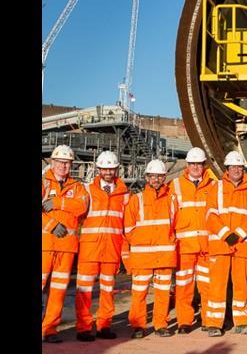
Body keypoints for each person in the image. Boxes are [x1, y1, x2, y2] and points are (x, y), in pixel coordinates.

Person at [205, 150, 247, 336]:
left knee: (241, 285)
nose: (236, 170)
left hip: (241, 246)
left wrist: (237, 234)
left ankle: (242, 321)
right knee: (217, 285)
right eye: (233, 167)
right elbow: (210, 215)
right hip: (221, 246)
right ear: (227, 169)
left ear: (243, 169)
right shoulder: (217, 187)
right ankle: (214, 323)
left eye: (239, 167)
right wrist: (225, 234)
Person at [75, 151, 130, 341]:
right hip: (89, 250)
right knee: (84, 290)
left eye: (111, 168)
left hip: (111, 250)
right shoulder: (87, 191)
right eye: (105, 168)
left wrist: (125, 254)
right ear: (99, 169)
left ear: (116, 169)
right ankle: (83, 327)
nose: (108, 172)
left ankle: (104, 326)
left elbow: (126, 227)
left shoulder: (124, 195)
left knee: (108, 289)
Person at [124, 159, 177, 338]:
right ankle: (138, 326)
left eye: (160, 176)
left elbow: (176, 225)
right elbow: (128, 229)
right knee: (139, 293)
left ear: (164, 177)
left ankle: (160, 324)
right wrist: (143, 242)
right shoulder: (136, 200)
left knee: (163, 293)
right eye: (152, 176)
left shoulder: (171, 200)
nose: (156, 179)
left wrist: (169, 241)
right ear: (147, 177)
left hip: (164, 255)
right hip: (142, 256)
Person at [42, 145, 89, 343]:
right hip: (45, 244)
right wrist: (51, 224)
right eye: (61, 162)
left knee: (59, 291)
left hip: (67, 247)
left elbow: (82, 207)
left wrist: (59, 203)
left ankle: (49, 329)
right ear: (52, 162)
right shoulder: (43, 183)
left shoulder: (77, 187)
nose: (64, 166)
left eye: (68, 163)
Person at [169, 147, 217, 333]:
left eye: (199, 164)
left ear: (204, 165)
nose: (196, 167)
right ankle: (184, 321)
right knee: (184, 286)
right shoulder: (175, 185)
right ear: (187, 165)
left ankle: (208, 319)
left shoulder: (213, 185)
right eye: (192, 164)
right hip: (185, 246)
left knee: (207, 285)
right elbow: (169, 215)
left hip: (206, 245)